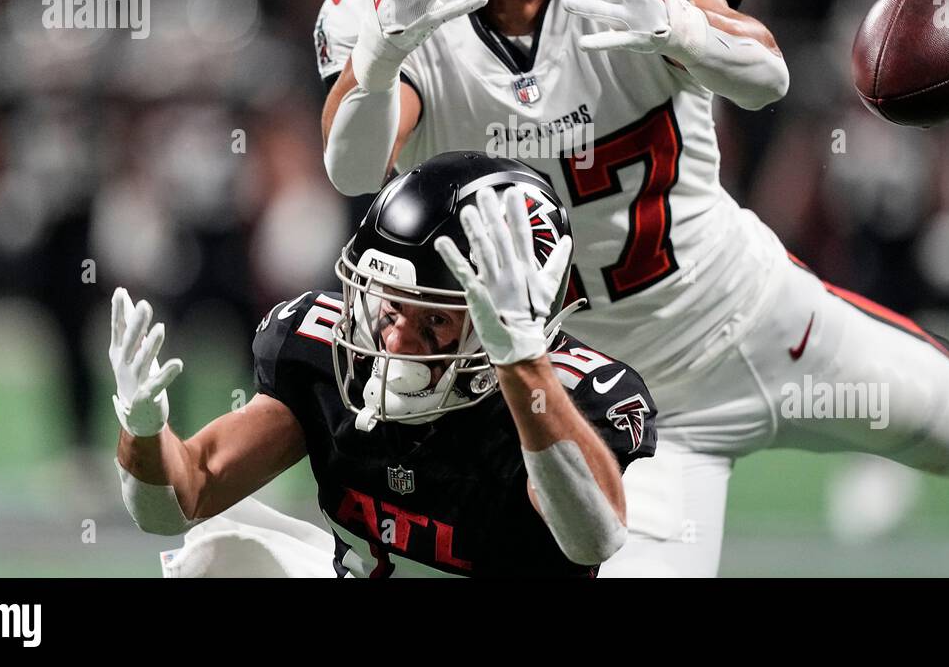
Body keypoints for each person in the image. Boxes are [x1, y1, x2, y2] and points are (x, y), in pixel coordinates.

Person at [316, 0, 949, 576]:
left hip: (751, 312)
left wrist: (683, 29)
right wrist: (385, 52)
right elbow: (353, 165)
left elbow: (766, 78)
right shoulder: (391, 8)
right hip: (615, 399)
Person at [112, 152, 657, 577]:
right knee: (217, 561)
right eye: (390, 305)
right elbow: (183, 497)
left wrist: (523, 366)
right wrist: (143, 432)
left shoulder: (581, 396)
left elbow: (593, 537)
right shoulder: (320, 358)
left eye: (435, 323)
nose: (394, 340)